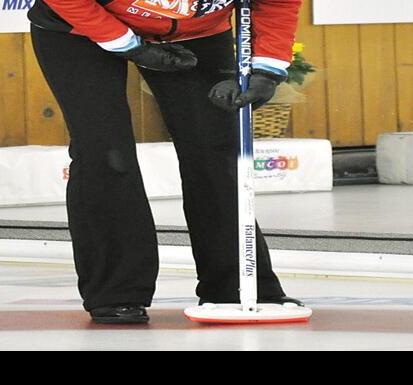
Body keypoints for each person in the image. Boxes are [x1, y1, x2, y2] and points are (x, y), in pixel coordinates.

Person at [28, 0, 305, 324]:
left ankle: (238, 285)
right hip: (79, 27)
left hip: (195, 33)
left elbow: (277, 3)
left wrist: (267, 70)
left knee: (215, 153)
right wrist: (130, 47)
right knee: (106, 153)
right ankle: (116, 292)